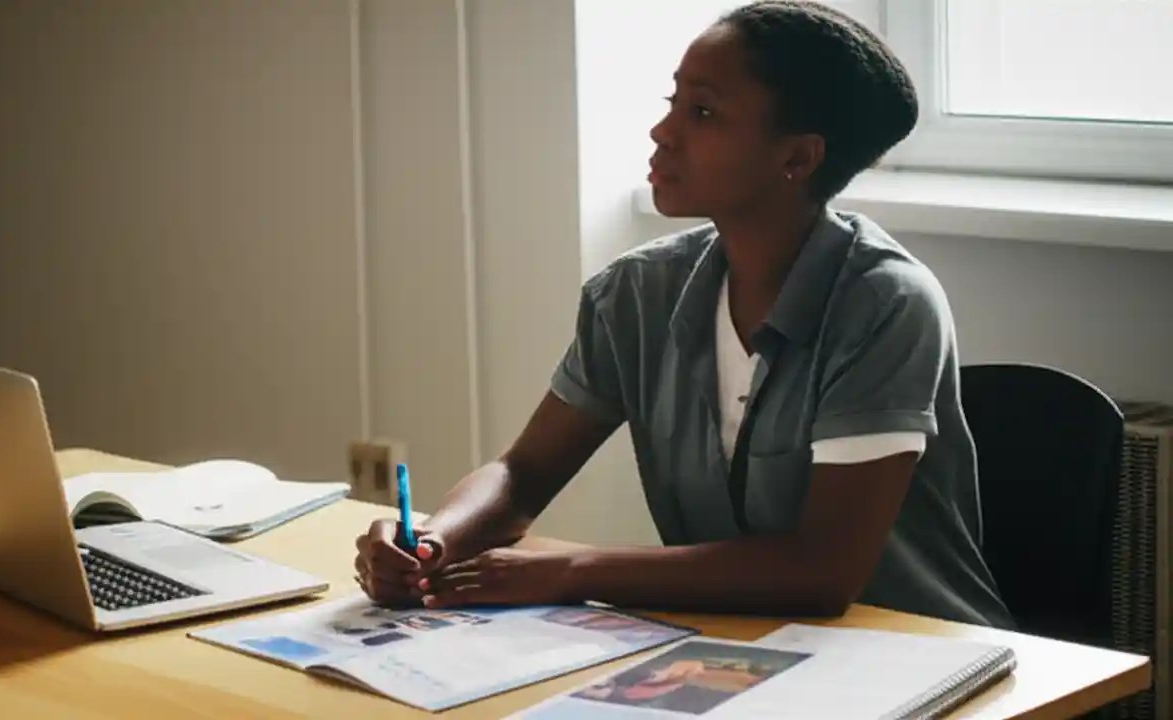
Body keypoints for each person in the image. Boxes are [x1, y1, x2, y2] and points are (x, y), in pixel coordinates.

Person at [354, 0, 1012, 628]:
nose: (663, 131)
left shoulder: (886, 305)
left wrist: (575, 569)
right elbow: (522, 474)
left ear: (796, 158)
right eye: (674, 102)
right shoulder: (635, 294)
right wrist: (435, 540)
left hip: (914, 657)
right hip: (737, 648)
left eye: (702, 112)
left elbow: (823, 572)